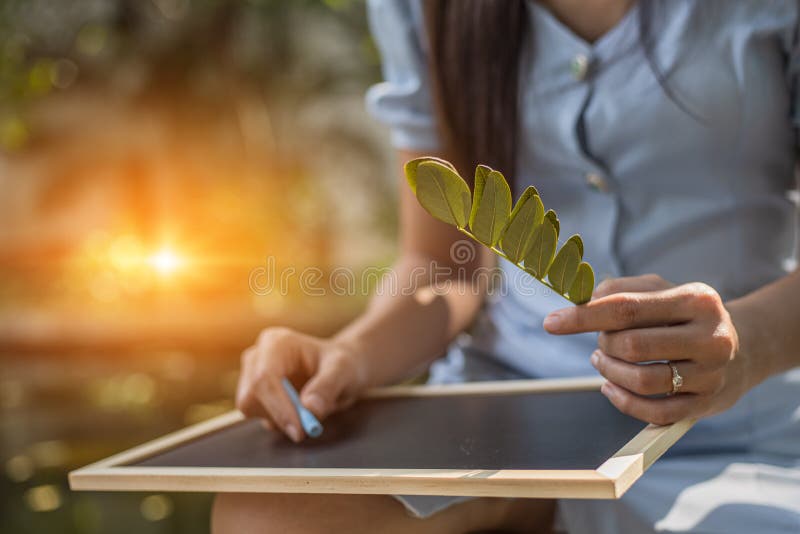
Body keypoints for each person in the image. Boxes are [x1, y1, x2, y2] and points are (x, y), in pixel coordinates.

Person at [213, 0, 800, 532]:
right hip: (506, 409)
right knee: (265, 514)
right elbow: (442, 262)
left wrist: (742, 347)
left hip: (735, 424)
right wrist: (352, 353)